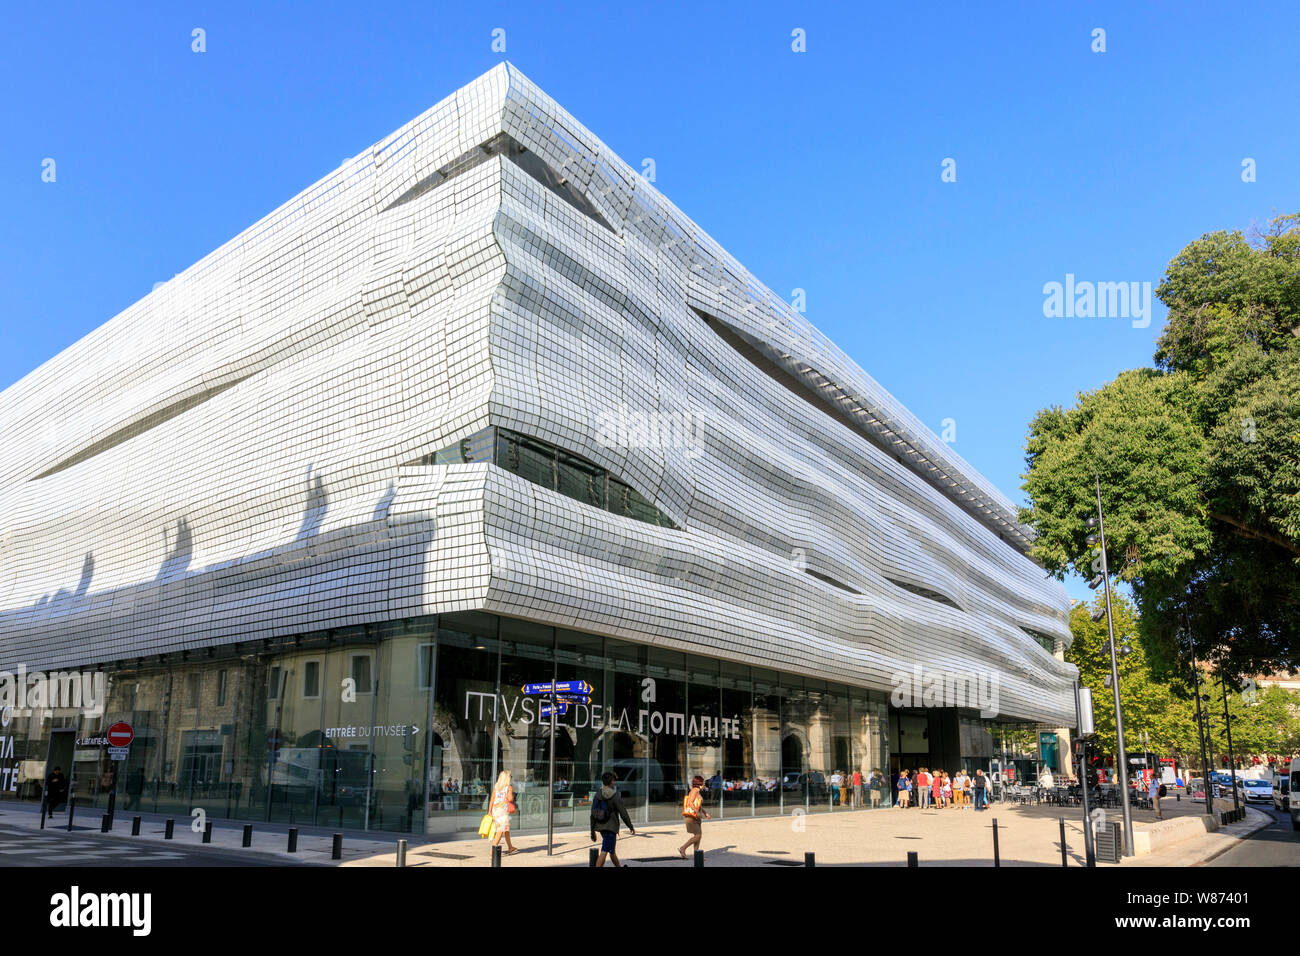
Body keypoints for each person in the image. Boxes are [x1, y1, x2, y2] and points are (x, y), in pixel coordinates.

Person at [592, 771, 635, 867]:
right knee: (604, 851)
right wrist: (630, 826)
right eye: (613, 780)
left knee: (611, 850)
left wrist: (592, 830)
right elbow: (623, 813)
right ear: (612, 782)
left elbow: (593, 813)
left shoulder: (598, 794)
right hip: (611, 827)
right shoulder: (615, 796)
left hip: (601, 826)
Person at [678, 774, 711, 859]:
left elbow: (698, 805)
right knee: (697, 836)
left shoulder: (698, 791)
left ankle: (697, 856)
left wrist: (705, 813)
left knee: (698, 836)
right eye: (703, 782)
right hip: (692, 817)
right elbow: (690, 803)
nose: (704, 784)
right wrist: (697, 812)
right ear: (699, 783)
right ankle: (682, 848)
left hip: (697, 817)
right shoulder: (694, 791)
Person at [489, 770, 518, 856]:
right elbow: (510, 799)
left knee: (505, 830)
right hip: (503, 811)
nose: (511, 778)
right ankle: (493, 849)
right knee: (500, 830)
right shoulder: (509, 787)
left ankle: (510, 847)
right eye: (510, 777)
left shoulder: (497, 787)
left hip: (495, 810)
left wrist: (489, 811)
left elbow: (492, 800)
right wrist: (512, 794)